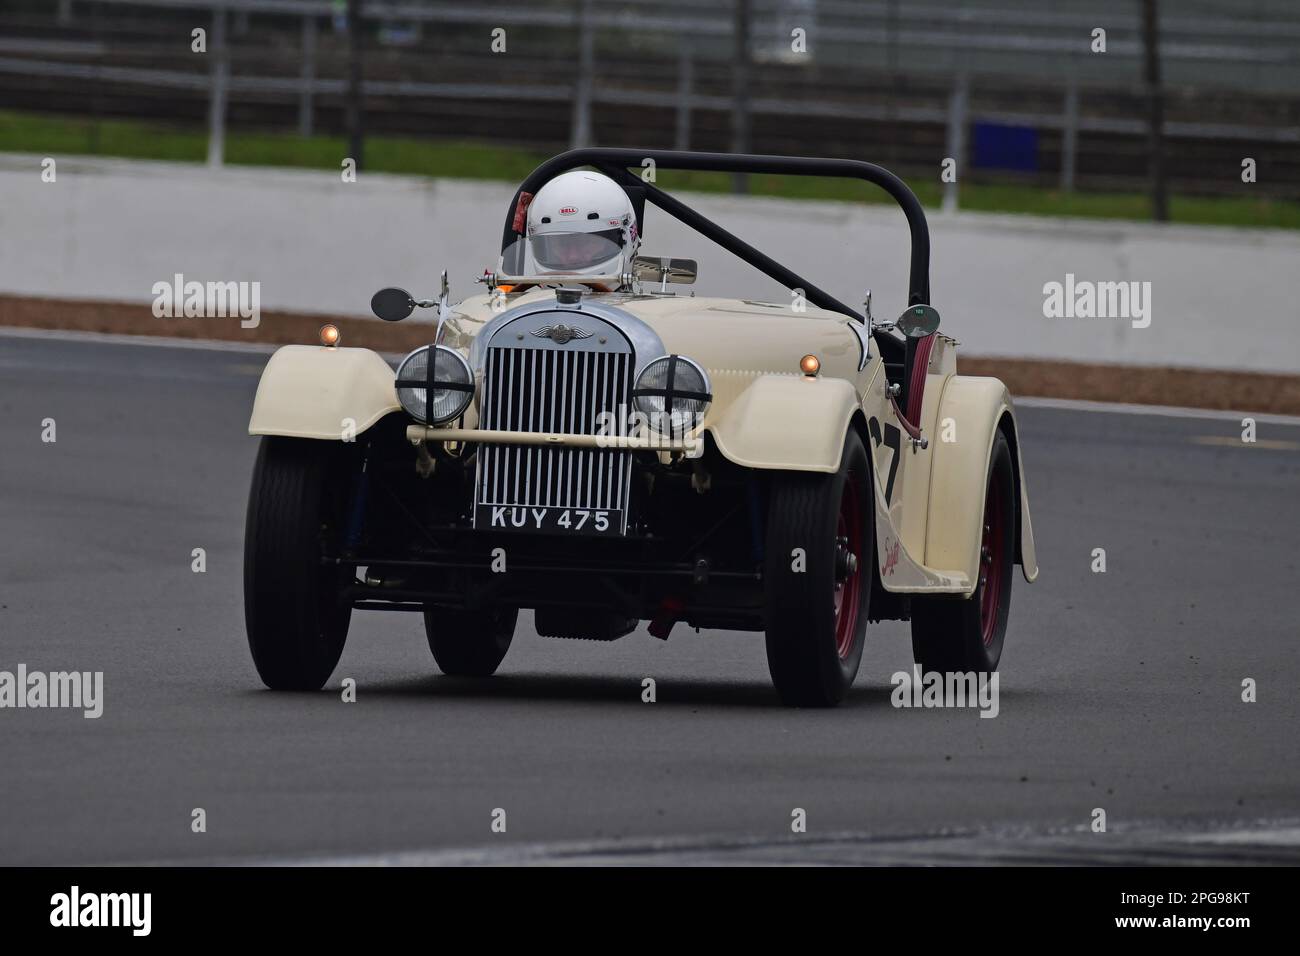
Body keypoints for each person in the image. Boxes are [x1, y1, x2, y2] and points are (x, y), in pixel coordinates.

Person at [520, 170, 640, 288]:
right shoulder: (514, 302)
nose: (573, 257)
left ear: (626, 237)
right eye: (562, 244)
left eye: (586, 242)